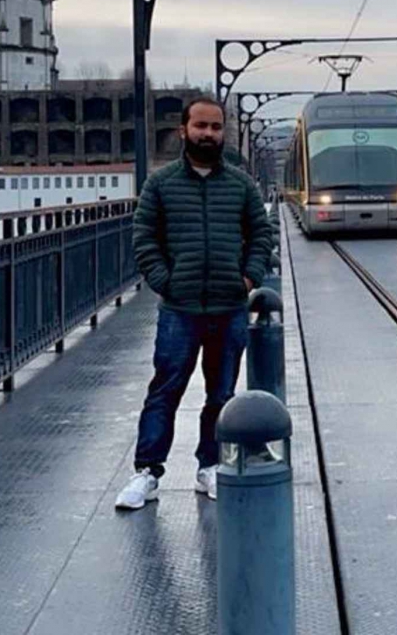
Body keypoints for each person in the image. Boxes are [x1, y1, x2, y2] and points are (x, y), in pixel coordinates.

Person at [115, 96, 276, 509]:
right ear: (183, 130)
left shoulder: (240, 185)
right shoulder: (161, 183)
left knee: (220, 394)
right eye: (201, 126)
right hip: (179, 308)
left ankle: (209, 466)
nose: (208, 134)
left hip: (228, 306)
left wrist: (247, 278)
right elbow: (144, 236)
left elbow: (261, 235)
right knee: (165, 390)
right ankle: (147, 473)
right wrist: (164, 281)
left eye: (216, 127)